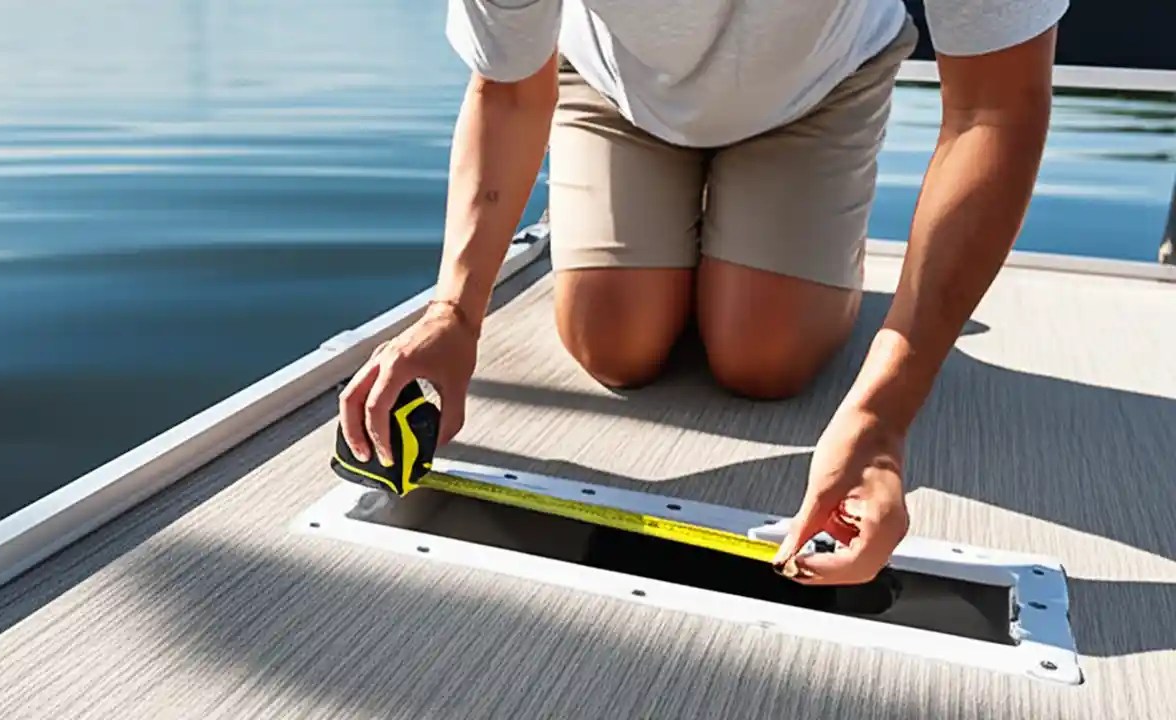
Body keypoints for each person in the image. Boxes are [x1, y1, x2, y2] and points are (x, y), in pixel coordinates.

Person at [340, 0, 1066, 585]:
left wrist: (885, 407)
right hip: (615, 88)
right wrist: (455, 313)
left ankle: (773, 258)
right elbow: (504, 87)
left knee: (765, 359)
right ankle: (706, 246)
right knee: (615, 345)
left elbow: (993, 109)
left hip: (817, 86)